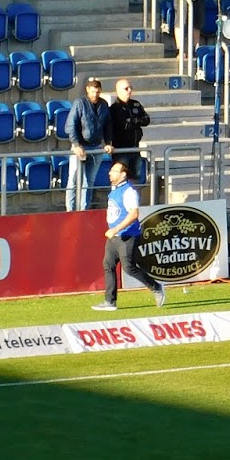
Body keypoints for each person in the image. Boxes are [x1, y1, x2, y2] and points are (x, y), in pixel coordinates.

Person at [91, 160, 166, 311]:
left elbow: (134, 214)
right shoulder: (115, 189)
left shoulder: (129, 191)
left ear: (123, 175)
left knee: (129, 268)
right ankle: (110, 301)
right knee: (108, 265)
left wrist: (116, 228)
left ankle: (156, 287)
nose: (110, 173)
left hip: (127, 236)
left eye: (114, 171)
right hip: (114, 236)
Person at [64, 78, 109, 213]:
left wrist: (108, 143)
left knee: (89, 182)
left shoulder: (104, 105)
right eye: (93, 91)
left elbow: (108, 125)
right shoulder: (79, 103)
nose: (95, 94)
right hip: (81, 147)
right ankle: (70, 211)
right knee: (73, 180)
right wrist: (76, 144)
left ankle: (84, 210)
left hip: (96, 147)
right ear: (87, 90)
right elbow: (70, 125)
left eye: (97, 91)